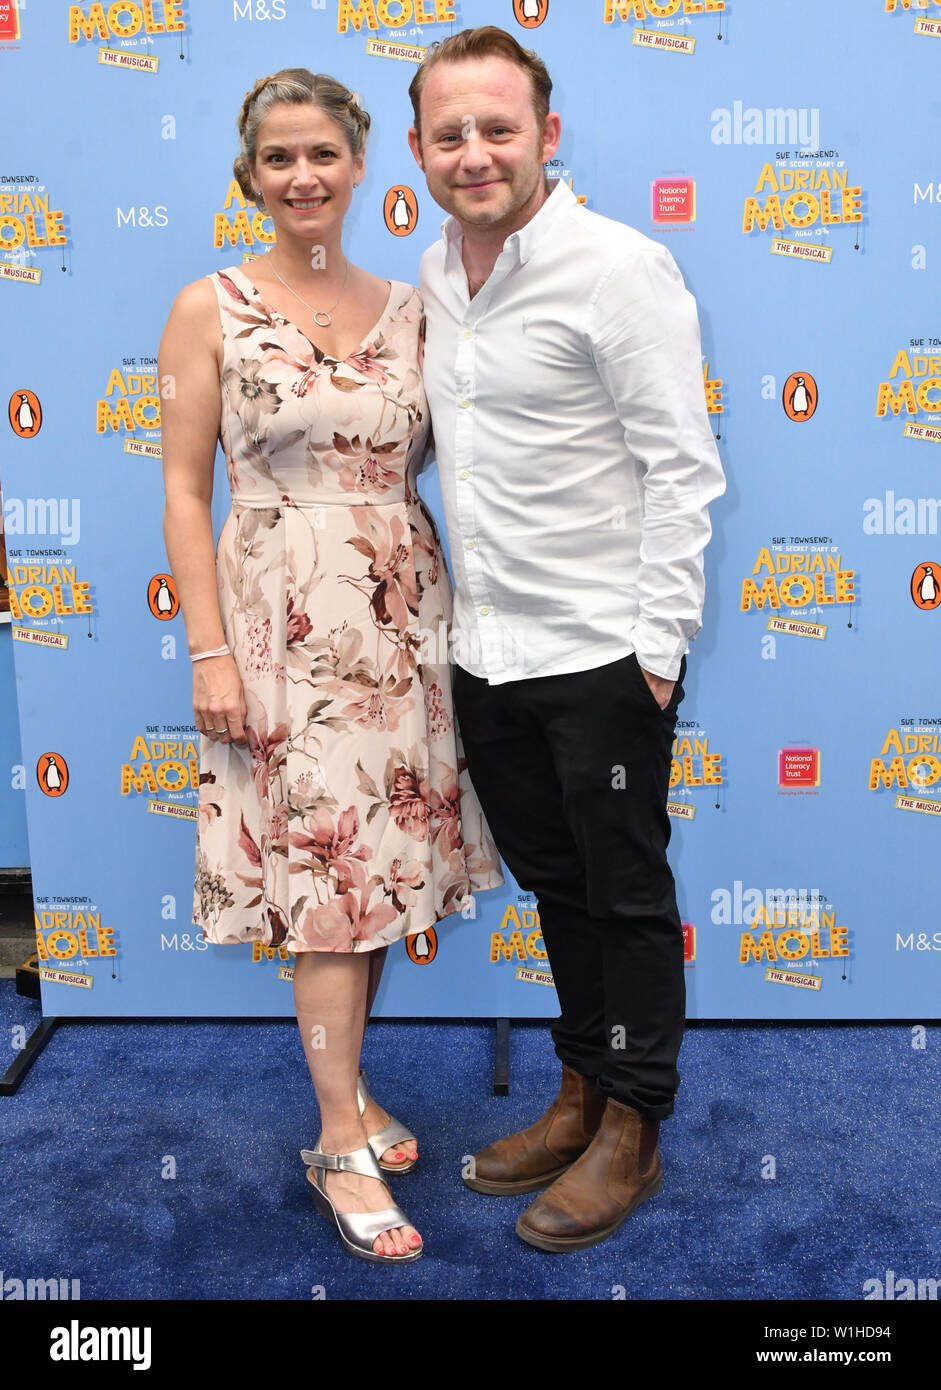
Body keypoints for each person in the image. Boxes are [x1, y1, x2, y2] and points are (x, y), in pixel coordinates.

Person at [158, 68, 503, 1265]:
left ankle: (349, 1096)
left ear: (364, 165)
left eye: (323, 155)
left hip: (402, 625)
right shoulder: (209, 304)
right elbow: (182, 488)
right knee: (324, 894)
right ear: (249, 174)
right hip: (278, 633)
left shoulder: (413, 308)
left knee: (377, 885)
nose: (302, 177)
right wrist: (210, 650)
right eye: (278, 158)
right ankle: (334, 1143)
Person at [407, 27, 726, 1252]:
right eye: (449, 134)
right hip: (485, 655)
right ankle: (581, 1091)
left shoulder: (616, 267)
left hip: (598, 653)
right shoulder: (436, 277)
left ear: (548, 136)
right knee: (557, 888)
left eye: (498, 128)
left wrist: (652, 653)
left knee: (626, 894)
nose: (474, 153)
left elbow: (680, 469)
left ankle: (634, 1128)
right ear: (424, 154)